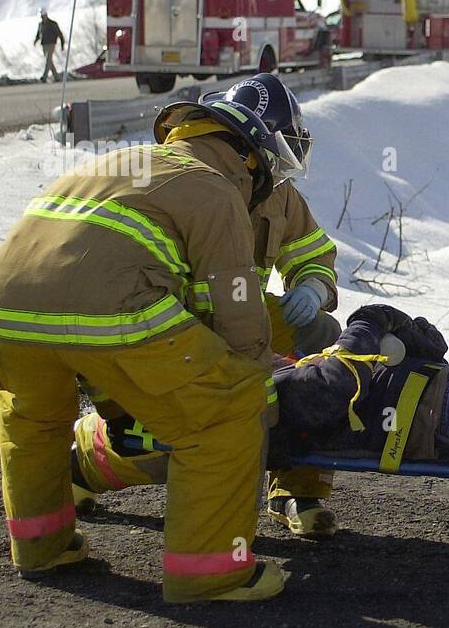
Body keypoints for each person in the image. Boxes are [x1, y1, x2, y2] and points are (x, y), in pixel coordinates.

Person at [0, 73, 311, 602]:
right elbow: (235, 305)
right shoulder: (217, 191)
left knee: (34, 420)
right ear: (253, 154)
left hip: (6, 302)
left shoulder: (120, 162)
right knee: (226, 410)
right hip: (110, 308)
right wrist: (255, 377)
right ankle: (210, 573)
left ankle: (42, 549)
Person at [71, 74, 344, 539]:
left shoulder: (278, 194)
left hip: (240, 318)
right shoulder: (185, 177)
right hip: (172, 325)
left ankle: (297, 488)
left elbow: (313, 252)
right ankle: (81, 463)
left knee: (318, 349)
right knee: (201, 422)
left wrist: (312, 289)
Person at [70, 305, 449, 524]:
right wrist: (370, 321)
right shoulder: (256, 403)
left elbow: (430, 349)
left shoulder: (262, 386)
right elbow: (331, 388)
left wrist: (400, 332)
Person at [34, 10, 65, 83]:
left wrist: (62, 45)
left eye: (43, 16)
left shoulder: (53, 24)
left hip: (51, 44)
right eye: (41, 16)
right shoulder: (40, 24)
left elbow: (60, 34)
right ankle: (57, 77)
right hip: (44, 45)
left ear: (46, 15)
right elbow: (38, 34)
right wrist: (35, 41)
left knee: (48, 59)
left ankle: (44, 77)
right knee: (49, 61)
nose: (42, 18)